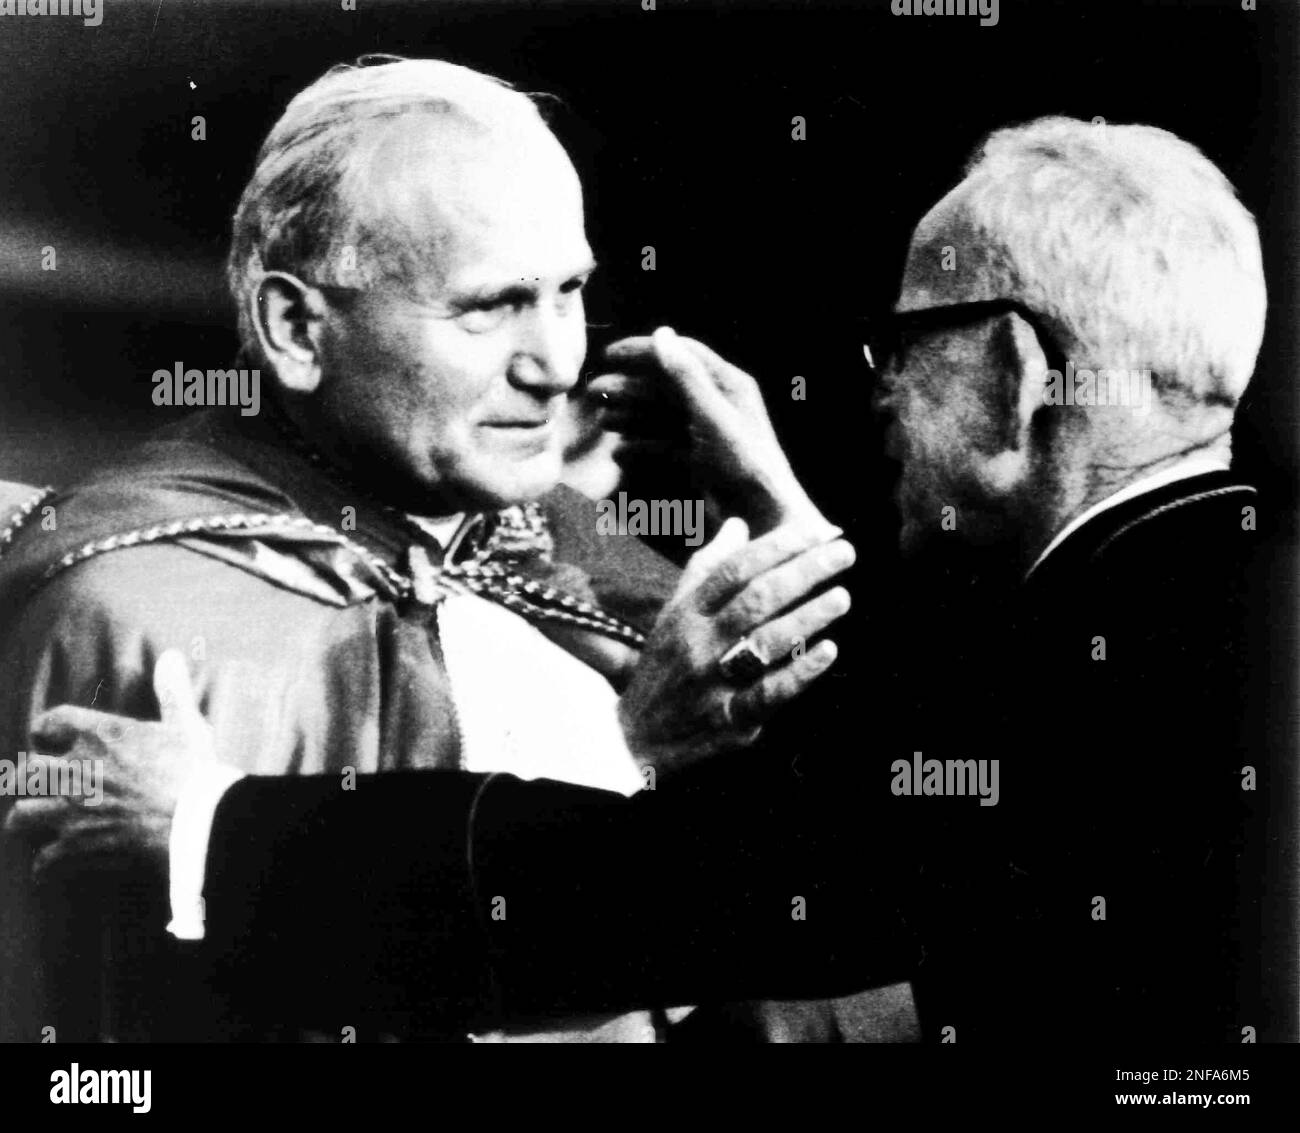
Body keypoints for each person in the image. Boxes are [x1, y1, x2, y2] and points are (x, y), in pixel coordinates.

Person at [0, 56, 884, 1043]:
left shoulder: (582, 541)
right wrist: (627, 745)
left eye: (570, 290)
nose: (557, 362)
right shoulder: (134, 619)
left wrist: (780, 532)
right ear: (295, 328)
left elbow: (828, 905)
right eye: (489, 305)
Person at [867, 115, 1284, 1042]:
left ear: (1018, 376)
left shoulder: (1052, 682)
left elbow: (724, 890)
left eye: (904, 345)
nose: (883, 389)